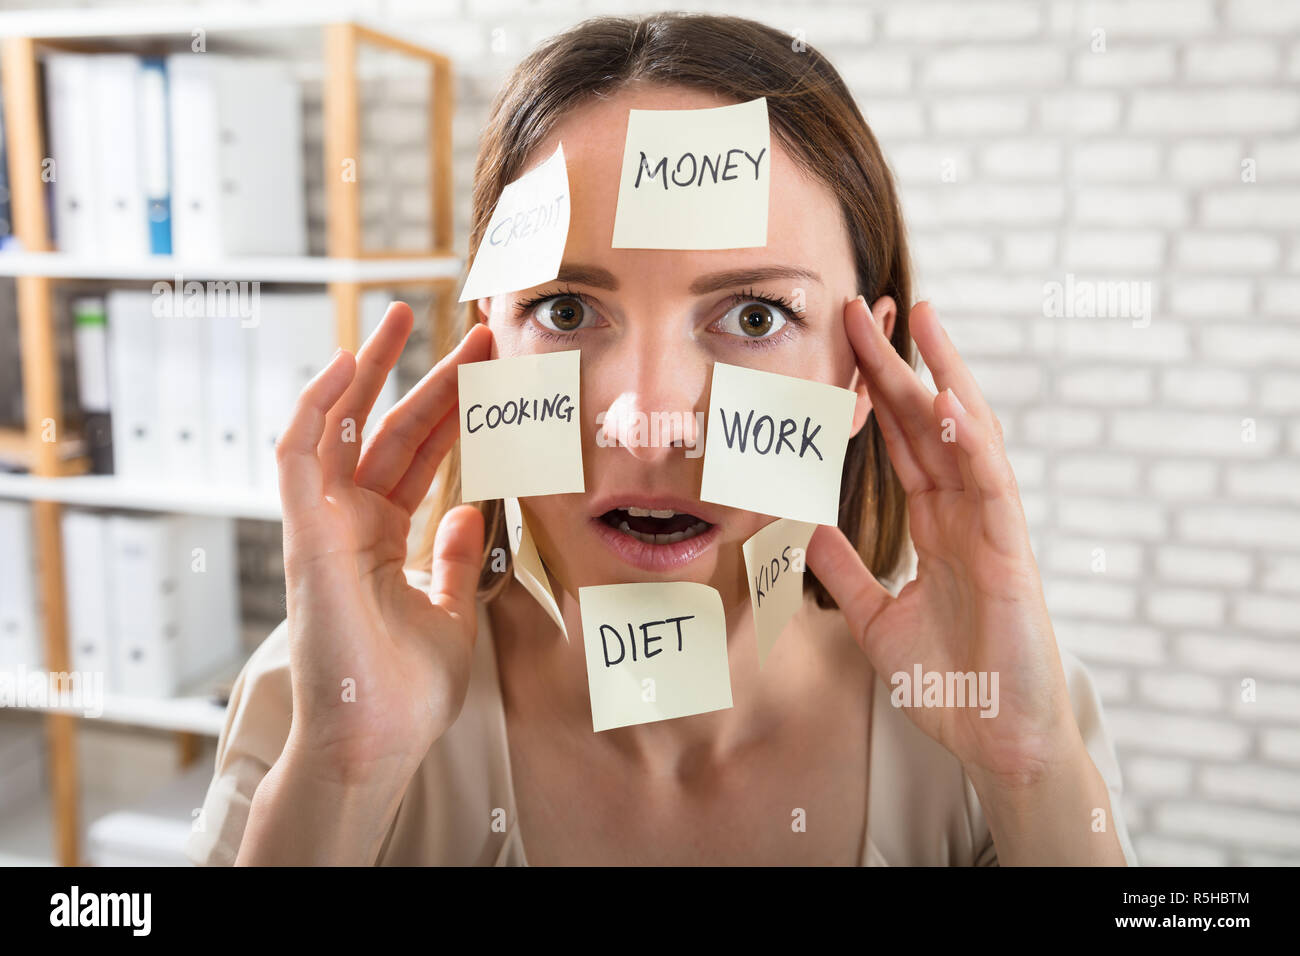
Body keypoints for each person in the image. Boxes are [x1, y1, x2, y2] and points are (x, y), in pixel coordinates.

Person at [187, 12, 1136, 866]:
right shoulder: (318, 701)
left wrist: (1027, 771)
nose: (646, 419)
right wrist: (343, 782)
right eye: (565, 309)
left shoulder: (1003, 715)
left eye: (757, 316)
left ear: (864, 371)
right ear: (485, 351)